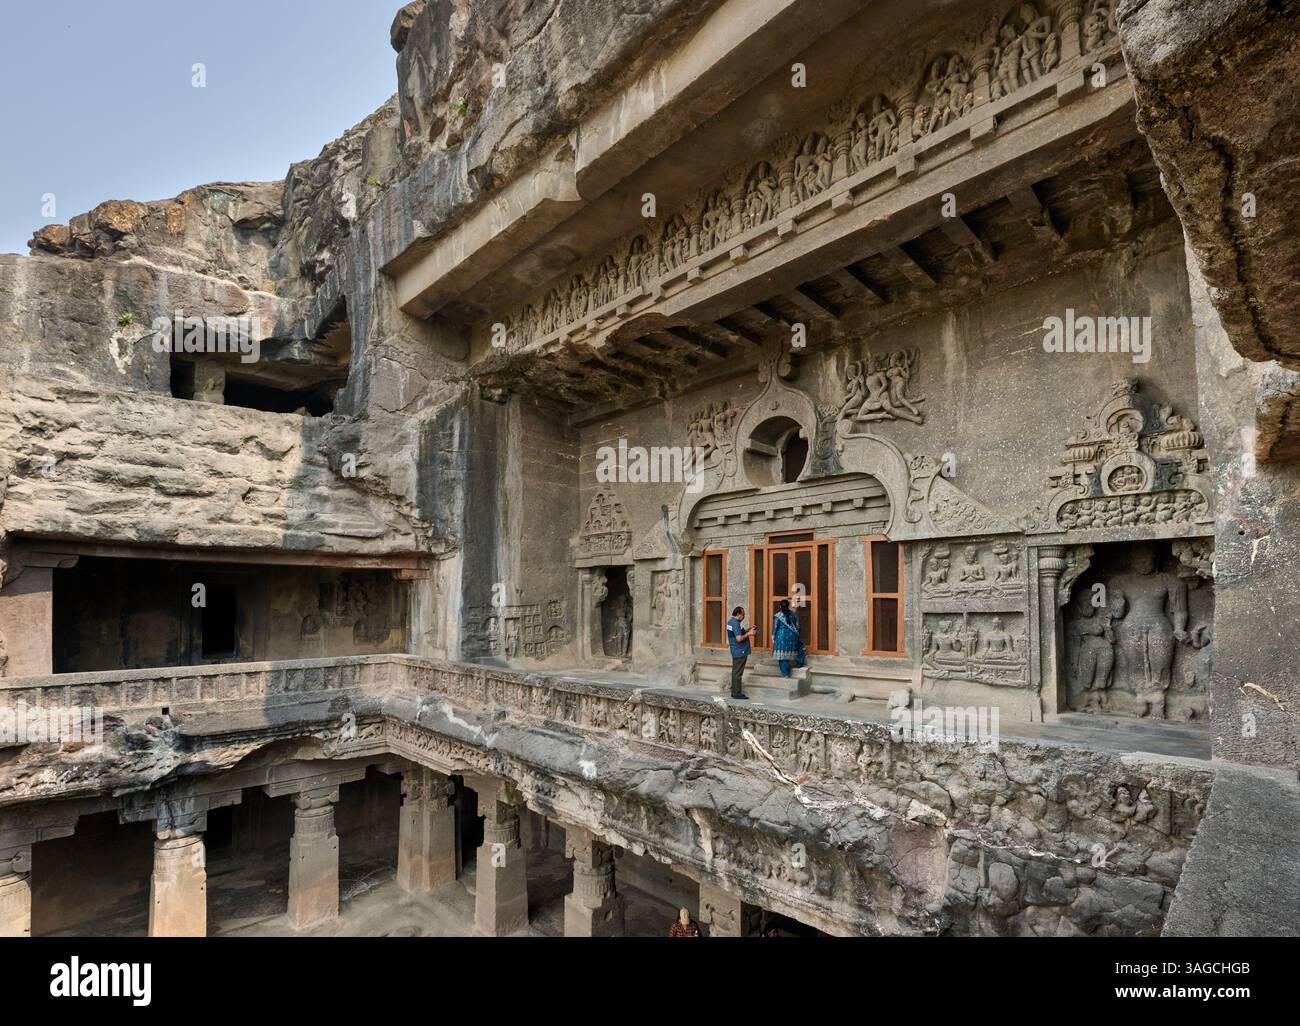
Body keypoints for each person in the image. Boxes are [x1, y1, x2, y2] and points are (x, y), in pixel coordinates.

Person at [726, 606, 757, 700]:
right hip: (739, 650)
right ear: (738, 614)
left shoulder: (731, 622)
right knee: (738, 673)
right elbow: (739, 638)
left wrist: (749, 629)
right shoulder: (735, 623)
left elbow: (739, 633)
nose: (744, 616)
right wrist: (749, 634)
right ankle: (737, 693)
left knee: (736, 672)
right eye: (743, 614)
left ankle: (734, 692)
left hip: (736, 650)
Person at [771, 599, 807, 677]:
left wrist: (773, 637)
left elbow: (775, 627)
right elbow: (798, 627)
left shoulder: (778, 615)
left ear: (780, 606)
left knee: (782, 657)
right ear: (789, 606)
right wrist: (796, 637)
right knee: (796, 650)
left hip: (781, 638)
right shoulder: (794, 614)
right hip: (792, 638)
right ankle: (797, 664)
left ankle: (786, 674)